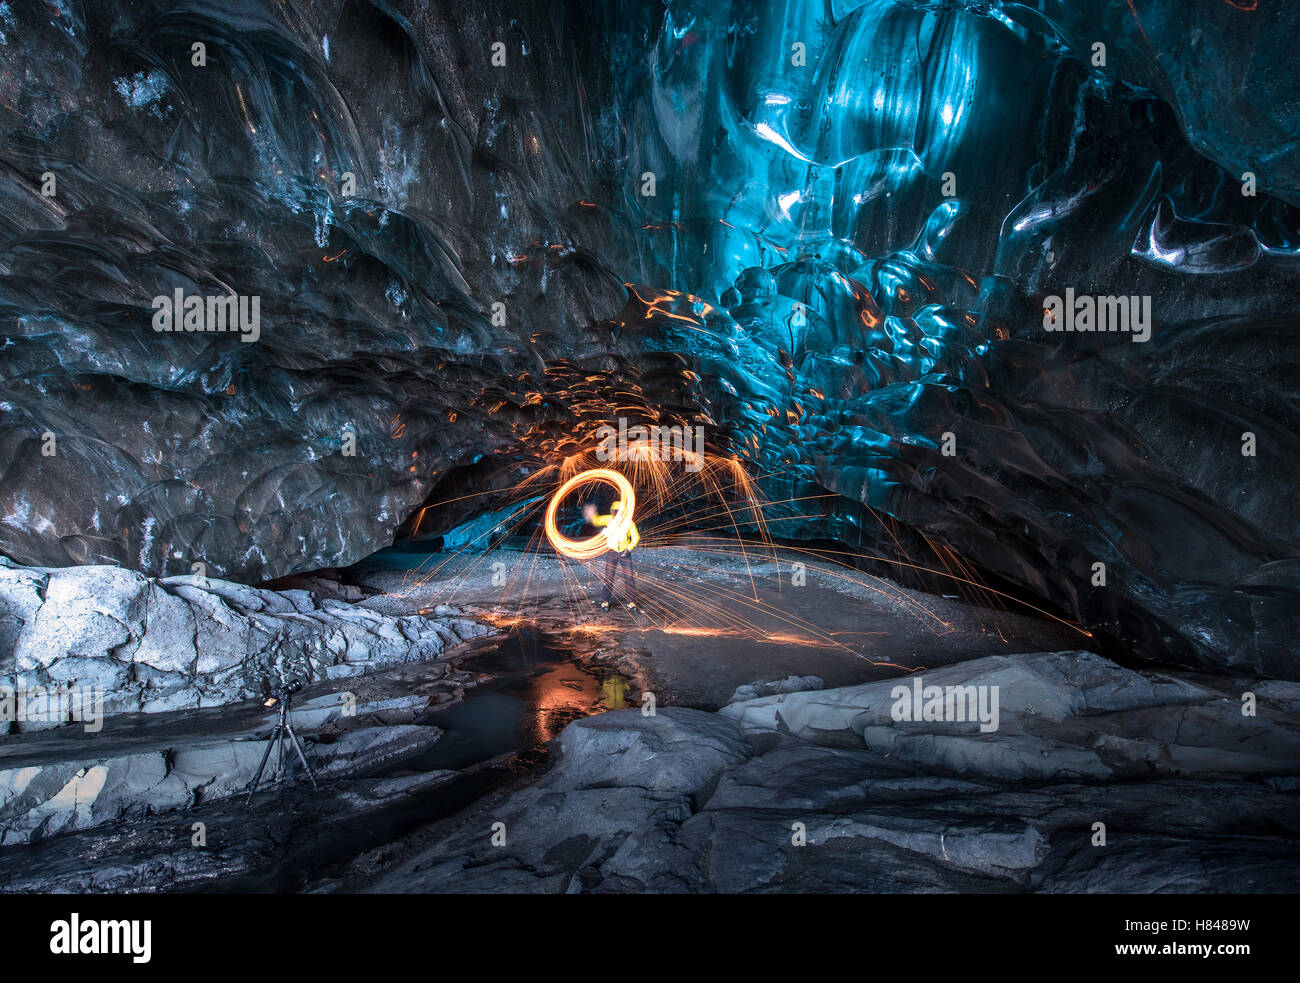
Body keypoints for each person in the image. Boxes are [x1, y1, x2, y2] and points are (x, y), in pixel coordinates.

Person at [583, 500, 640, 611]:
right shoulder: (608, 519)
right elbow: (596, 520)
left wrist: (628, 549)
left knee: (629, 577)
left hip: (625, 553)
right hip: (612, 552)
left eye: (618, 511)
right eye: (614, 511)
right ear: (612, 511)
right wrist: (591, 513)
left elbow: (636, 537)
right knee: (609, 577)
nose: (616, 513)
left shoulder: (628, 522)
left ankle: (632, 602)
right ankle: (605, 601)